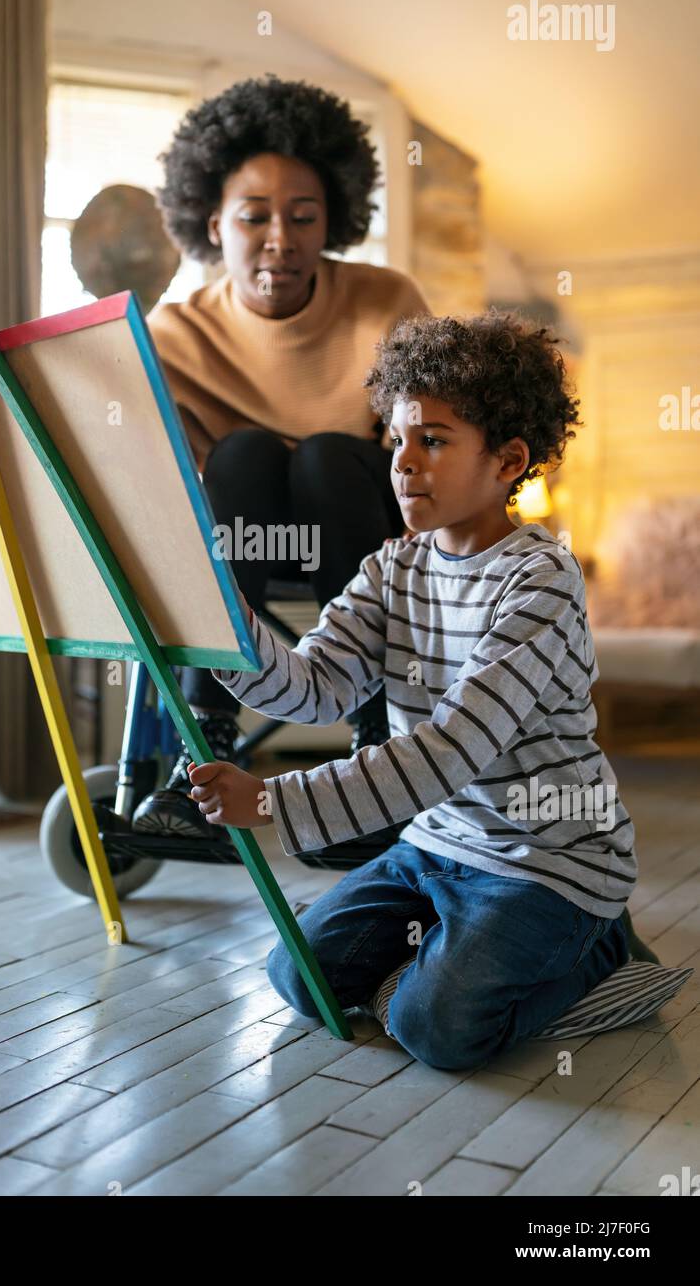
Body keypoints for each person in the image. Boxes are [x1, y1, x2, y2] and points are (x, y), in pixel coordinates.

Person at [186, 311, 638, 1071]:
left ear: (507, 460)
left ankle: (604, 948)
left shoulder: (540, 581)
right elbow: (316, 688)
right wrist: (222, 629)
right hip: (436, 842)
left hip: (546, 860)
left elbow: (448, 750)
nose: (402, 463)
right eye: (395, 440)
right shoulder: (392, 568)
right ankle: (454, 953)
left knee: (435, 1028)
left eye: (432, 441)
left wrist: (272, 800)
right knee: (297, 977)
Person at [132, 74, 429, 836]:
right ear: (211, 221)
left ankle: (373, 739)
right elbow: (142, 461)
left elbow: (431, 431)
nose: (279, 240)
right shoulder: (173, 333)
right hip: (246, 531)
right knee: (238, 457)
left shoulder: (384, 301)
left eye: (303, 216)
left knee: (326, 457)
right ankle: (205, 741)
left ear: (332, 220)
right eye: (254, 216)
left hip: (359, 530)